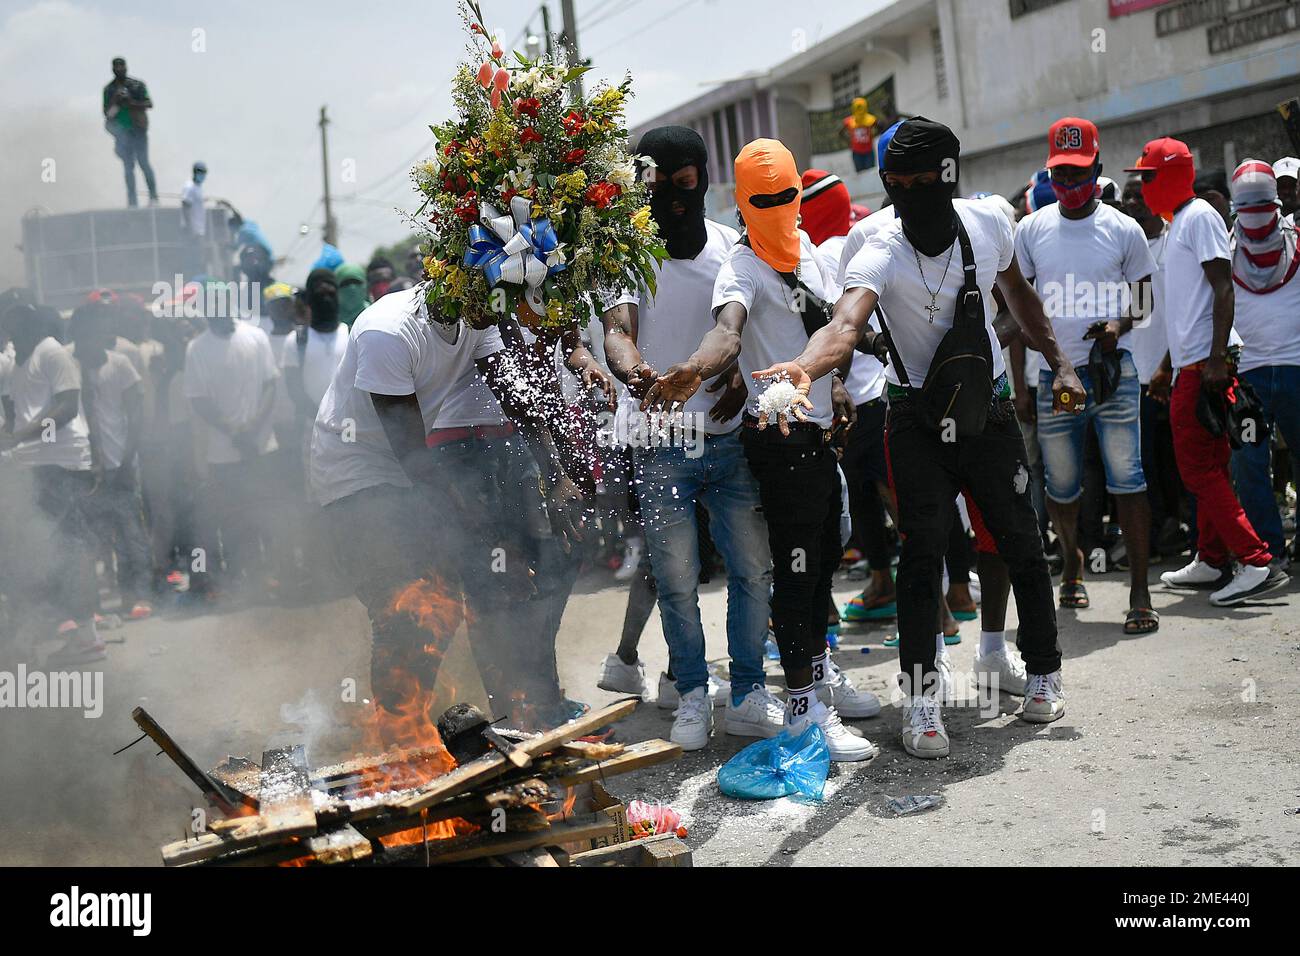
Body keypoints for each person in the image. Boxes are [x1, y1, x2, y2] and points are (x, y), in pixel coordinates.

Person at [749, 117, 1084, 759]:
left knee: (1018, 536)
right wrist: (807, 368)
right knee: (923, 552)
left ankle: (1042, 672)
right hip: (915, 418)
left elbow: (1018, 296)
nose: (906, 196)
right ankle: (923, 703)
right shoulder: (875, 243)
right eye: (893, 184)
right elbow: (846, 323)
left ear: (948, 177)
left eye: (920, 183)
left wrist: (1060, 361)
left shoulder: (989, 222)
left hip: (987, 410)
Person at [644, 138, 879, 763]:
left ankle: (819, 684)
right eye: (763, 199)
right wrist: (694, 368)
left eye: (785, 196)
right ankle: (803, 714)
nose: (777, 207)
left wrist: (841, 392)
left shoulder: (814, 257)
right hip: (777, 441)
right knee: (794, 579)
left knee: (823, 564)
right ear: (743, 203)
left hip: (822, 435)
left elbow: (836, 330)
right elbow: (728, 331)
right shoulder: (741, 265)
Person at [600, 126, 814, 752]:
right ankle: (692, 692)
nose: (670, 198)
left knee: (752, 566)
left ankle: (747, 691)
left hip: (729, 438)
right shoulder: (629, 257)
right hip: (660, 440)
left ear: (705, 182)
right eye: (656, 185)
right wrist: (633, 369)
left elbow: (746, 328)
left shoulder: (732, 249)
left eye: (684, 184)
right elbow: (618, 329)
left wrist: (743, 383)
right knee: (675, 574)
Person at [310, 286, 585, 723]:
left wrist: (558, 477)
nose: (499, 309)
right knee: (404, 605)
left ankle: (419, 730)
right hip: (356, 470)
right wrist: (495, 547)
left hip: (409, 471)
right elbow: (418, 461)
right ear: (452, 280)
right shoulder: (389, 333)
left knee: (441, 606)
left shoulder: (475, 316)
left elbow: (518, 404)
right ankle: (398, 740)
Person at [1129, 138, 1289, 604]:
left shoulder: (1198, 217)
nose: (1142, 186)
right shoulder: (1179, 221)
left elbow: (1224, 290)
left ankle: (1256, 560)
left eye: (1149, 177)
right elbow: (1187, 309)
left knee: (1197, 469)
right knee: (1211, 465)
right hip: (1191, 363)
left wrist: (1216, 358)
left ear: (1174, 174)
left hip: (1206, 364)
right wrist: (1166, 367)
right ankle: (1213, 558)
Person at [1014, 118, 1158, 634]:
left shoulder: (1124, 228)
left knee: (1128, 479)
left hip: (1112, 374)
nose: (1070, 188)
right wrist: (1021, 381)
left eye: (1078, 176)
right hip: (1056, 382)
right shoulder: (1030, 230)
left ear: (1097, 170)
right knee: (1063, 484)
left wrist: (1117, 326)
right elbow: (1016, 307)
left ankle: (1139, 592)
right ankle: (1072, 561)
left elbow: (1143, 296)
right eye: (1060, 177)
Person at [0, 303, 103, 662]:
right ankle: (72, 630)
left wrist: (22, 435)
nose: (7, 324)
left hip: (60, 462)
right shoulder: (17, 361)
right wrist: (12, 436)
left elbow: (68, 407)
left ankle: (88, 636)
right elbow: (15, 418)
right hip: (34, 465)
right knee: (46, 548)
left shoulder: (50, 351)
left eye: (12, 317)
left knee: (70, 546)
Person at [1226, 159, 1300, 571]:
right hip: (1247, 373)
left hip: (1292, 365)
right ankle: (1270, 552)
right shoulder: (1223, 246)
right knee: (1250, 465)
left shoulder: (1298, 241)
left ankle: (1275, 550)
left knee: (1252, 465)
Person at [183, 286, 281, 596]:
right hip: (223, 453)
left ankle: (269, 574)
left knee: (265, 513)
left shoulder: (255, 337)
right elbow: (198, 399)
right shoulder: (196, 348)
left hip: (262, 446)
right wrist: (232, 430)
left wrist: (252, 427)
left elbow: (270, 384)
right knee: (235, 518)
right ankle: (245, 579)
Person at [67, 303, 153, 620]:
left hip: (120, 462)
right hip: (82, 468)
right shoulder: (66, 365)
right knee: (88, 539)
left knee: (131, 533)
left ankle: (137, 595)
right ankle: (91, 606)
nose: (104, 336)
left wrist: (129, 458)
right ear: (79, 334)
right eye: (96, 330)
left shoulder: (119, 365)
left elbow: (137, 415)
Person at [1121, 175, 1188, 561]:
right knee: (1149, 465)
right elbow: (1138, 309)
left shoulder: (1175, 240)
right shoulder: (1127, 249)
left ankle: (1193, 533)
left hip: (1178, 369)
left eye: (1138, 194)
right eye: (1128, 196)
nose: (1132, 201)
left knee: (1182, 461)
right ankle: (1163, 536)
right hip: (1139, 375)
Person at [102, 57, 157, 208]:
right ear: (113, 69)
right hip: (122, 134)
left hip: (138, 130)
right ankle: (132, 202)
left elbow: (149, 103)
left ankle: (153, 196)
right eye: (116, 67)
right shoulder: (109, 90)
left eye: (122, 66)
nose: (119, 69)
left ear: (126, 67)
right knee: (128, 167)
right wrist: (116, 101)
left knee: (144, 163)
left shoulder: (137, 85)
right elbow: (107, 114)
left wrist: (131, 101)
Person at [180, 163, 208, 275]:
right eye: (199, 172)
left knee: (200, 257)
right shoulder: (189, 187)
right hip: (192, 229)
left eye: (203, 173)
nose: (201, 175)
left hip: (199, 230)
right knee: (193, 258)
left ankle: (197, 277)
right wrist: (190, 228)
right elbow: (185, 206)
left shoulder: (198, 188)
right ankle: (192, 279)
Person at [840, 97, 877, 173]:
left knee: (871, 173)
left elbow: (880, 127)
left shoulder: (870, 119)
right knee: (860, 175)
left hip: (869, 151)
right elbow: (840, 133)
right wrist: (849, 141)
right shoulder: (849, 121)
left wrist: (873, 135)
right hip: (857, 152)